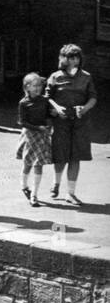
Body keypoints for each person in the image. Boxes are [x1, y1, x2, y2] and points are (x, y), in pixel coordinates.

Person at [46, 44, 98, 205]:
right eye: (69, 57)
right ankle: (56, 183)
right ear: (63, 59)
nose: (73, 60)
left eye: (76, 57)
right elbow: (47, 97)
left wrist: (85, 108)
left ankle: (71, 193)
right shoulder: (55, 76)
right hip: (61, 121)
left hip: (80, 123)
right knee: (60, 156)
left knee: (75, 157)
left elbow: (93, 97)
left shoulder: (86, 77)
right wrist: (56, 108)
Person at [16, 71, 54, 207]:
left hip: (42, 135)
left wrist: (49, 124)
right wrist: (38, 128)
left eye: (39, 85)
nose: (38, 88)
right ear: (27, 87)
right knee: (27, 163)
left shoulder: (44, 100)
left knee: (39, 164)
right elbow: (22, 122)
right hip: (30, 135)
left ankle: (34, 194)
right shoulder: (23, 103)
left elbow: (48, 115)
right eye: (34, 86)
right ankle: (24, 185)